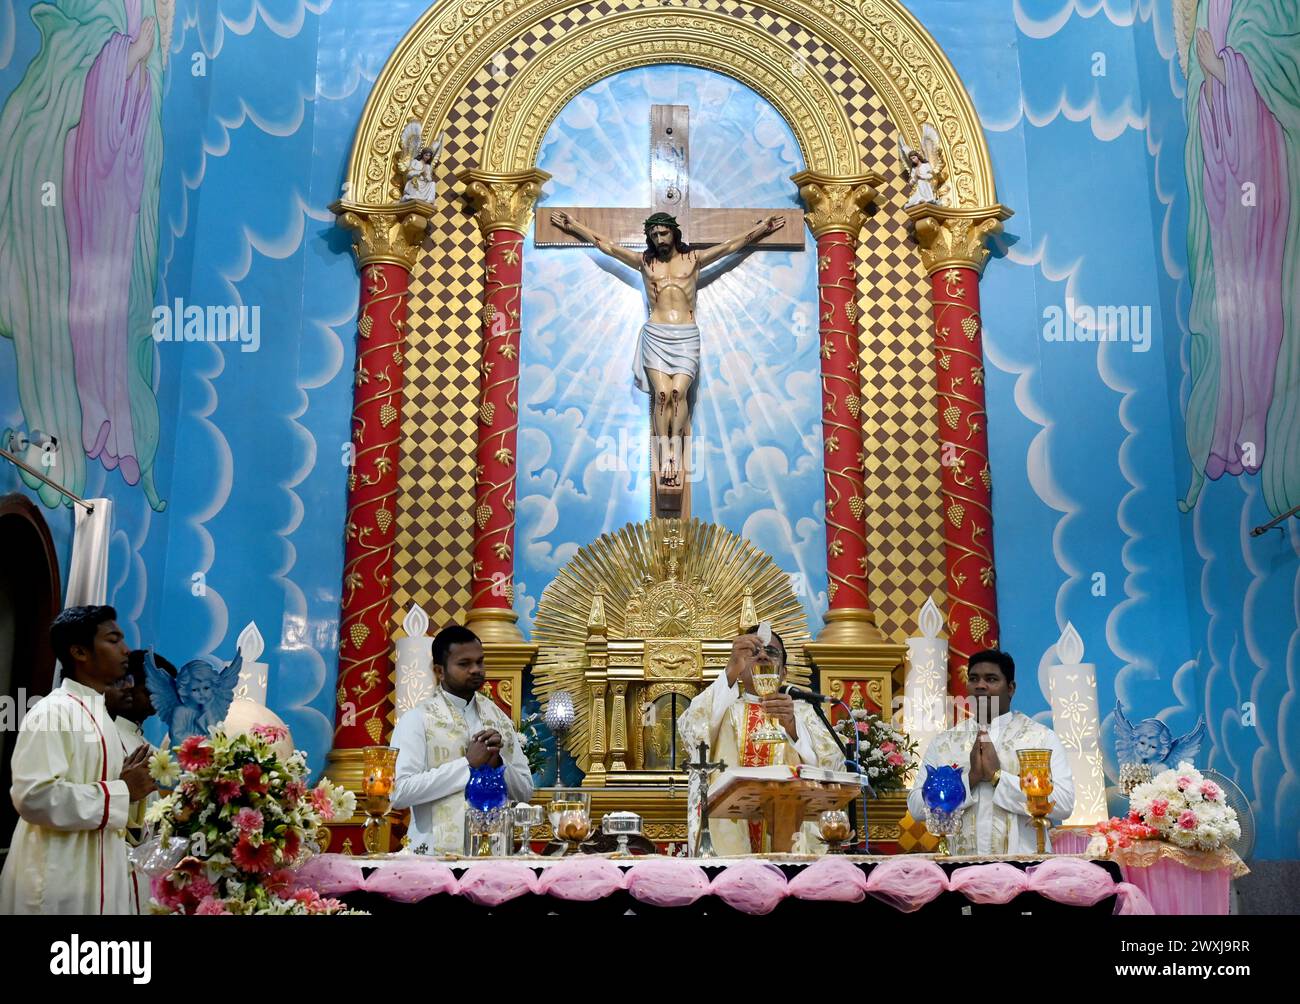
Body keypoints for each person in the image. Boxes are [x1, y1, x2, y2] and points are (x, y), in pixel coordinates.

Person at [549, 209, 783, 488]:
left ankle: (675, 449)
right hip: (656, 334)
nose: (659, 238)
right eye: (654, 234)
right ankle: (666, 454)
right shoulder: (644, 263)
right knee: (662, 395)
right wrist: (575, 226)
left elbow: (729, 247)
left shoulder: (692, 259)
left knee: (677, 392)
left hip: (685, 335)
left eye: (664, 233)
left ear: (674, 233)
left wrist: (760, 231)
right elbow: (607, 246)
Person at [0, 606, 156, 914]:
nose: (125, 650)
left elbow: (109, 793)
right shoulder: (52, 711)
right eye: (113, 640)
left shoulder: (104, 720)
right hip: (56, 879)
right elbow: (33, 796)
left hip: (102, 877)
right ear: (79, 652)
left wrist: (132, 792)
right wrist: (122, 791)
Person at [677, 627, 842, 855]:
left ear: (784, 672)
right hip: (733, 833)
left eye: (772, 652)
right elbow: (691, 732)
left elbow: (833, 765)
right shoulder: (724, 708)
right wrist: (730, 671)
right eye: (754, 652)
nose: (763, 656)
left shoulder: (802, 713)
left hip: (792, 833)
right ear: (742, 666)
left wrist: (794, 728)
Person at [907, 649, 1075, 854]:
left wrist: (998, 777)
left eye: (991, 679)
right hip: (960, 868)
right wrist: (969, 781)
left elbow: (1064, 803)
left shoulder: (1040, 739)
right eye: (974, 679)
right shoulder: (945, 742)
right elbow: (916, 806)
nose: (980, 685)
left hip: (1024, 867)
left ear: (1011, 688)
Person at [390, 625, 532, 854]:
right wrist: (467, 765)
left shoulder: (499, 719)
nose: (476, 669)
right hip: (433, 858)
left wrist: (499, 764)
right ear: (439, 671)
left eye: (480, 661)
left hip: (495, 856)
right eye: (464, 664)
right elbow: (399, 793)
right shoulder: (417, 720)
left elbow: (525, 792)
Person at [105, 649, 171, 913]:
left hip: (141, 864)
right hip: (111, 860)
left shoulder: (149, 746)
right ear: (129, 684)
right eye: (156, 688)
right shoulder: (105, 737)